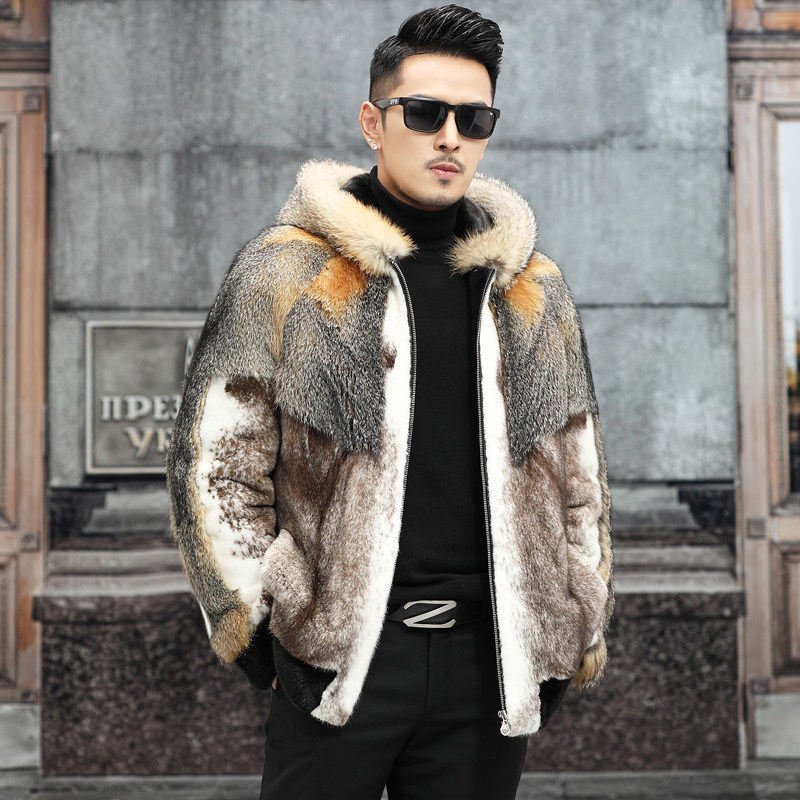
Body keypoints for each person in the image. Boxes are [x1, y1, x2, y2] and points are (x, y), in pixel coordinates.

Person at [166, 5, 613, 799]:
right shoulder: (287, 273)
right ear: (374, 122)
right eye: (426, 113)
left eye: (474, 119)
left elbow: (580, 481)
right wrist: (264, 636)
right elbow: (216, 465)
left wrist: (568, 627)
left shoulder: (531, 288)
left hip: (491, 665)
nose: (451, 137)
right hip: (341, 663)